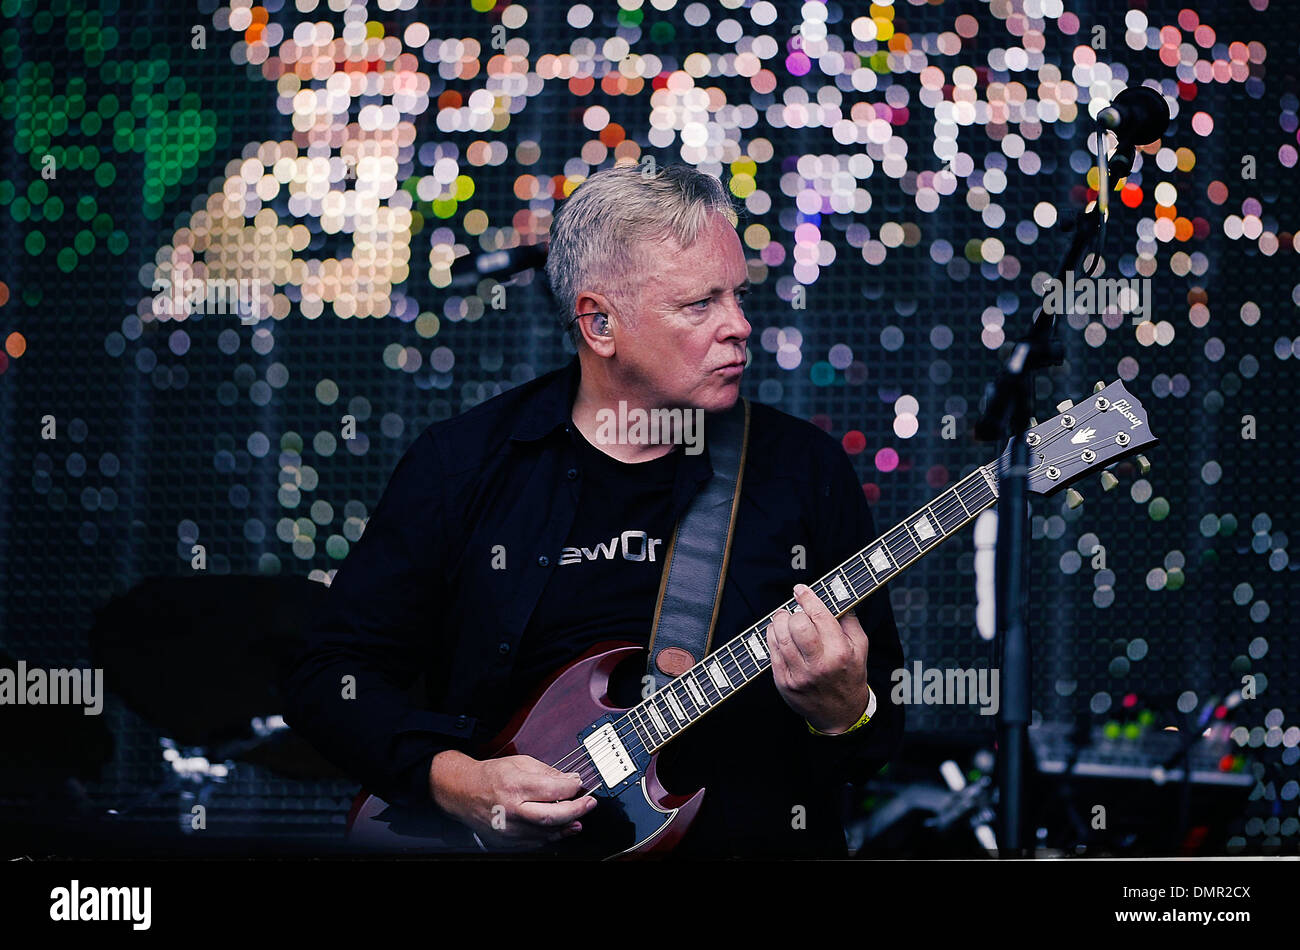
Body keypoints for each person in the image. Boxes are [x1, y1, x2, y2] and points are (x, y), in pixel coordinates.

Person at [283, 162, 905, 858]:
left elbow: (878, 739)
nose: (739, 325)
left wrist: (845, 713)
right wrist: (459, 780)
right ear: (599, 322)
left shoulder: (801, 473)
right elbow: (326, 680)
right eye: (700, 304)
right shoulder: (464, 465)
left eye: (739, 295)